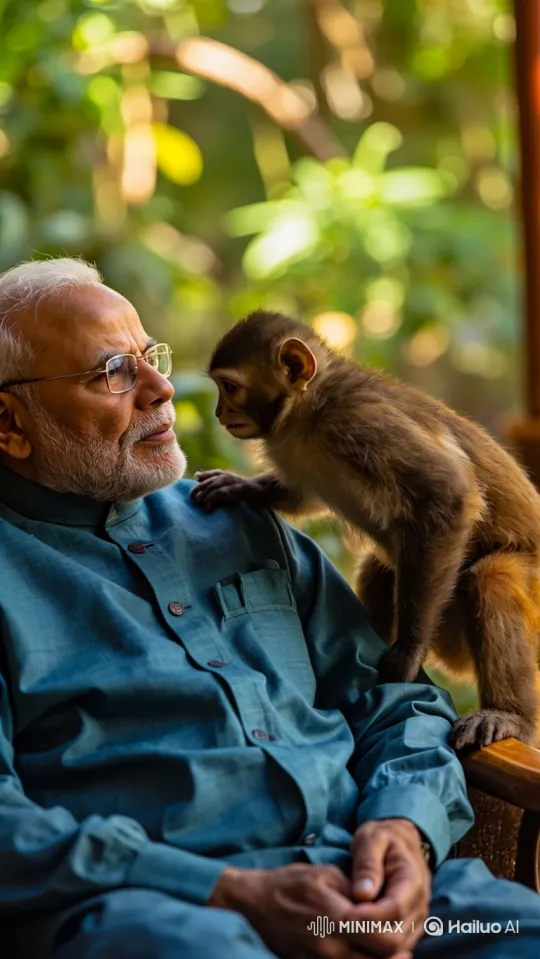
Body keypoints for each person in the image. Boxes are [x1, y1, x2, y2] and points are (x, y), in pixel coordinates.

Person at [0, 257, 537, 959]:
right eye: (113, 373)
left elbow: (395, 703)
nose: (163, 389)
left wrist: (405, 828)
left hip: (384, 892)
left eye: (151, 358)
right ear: (8, 423)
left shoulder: (236, 522)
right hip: (178, 917)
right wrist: (228, 890)